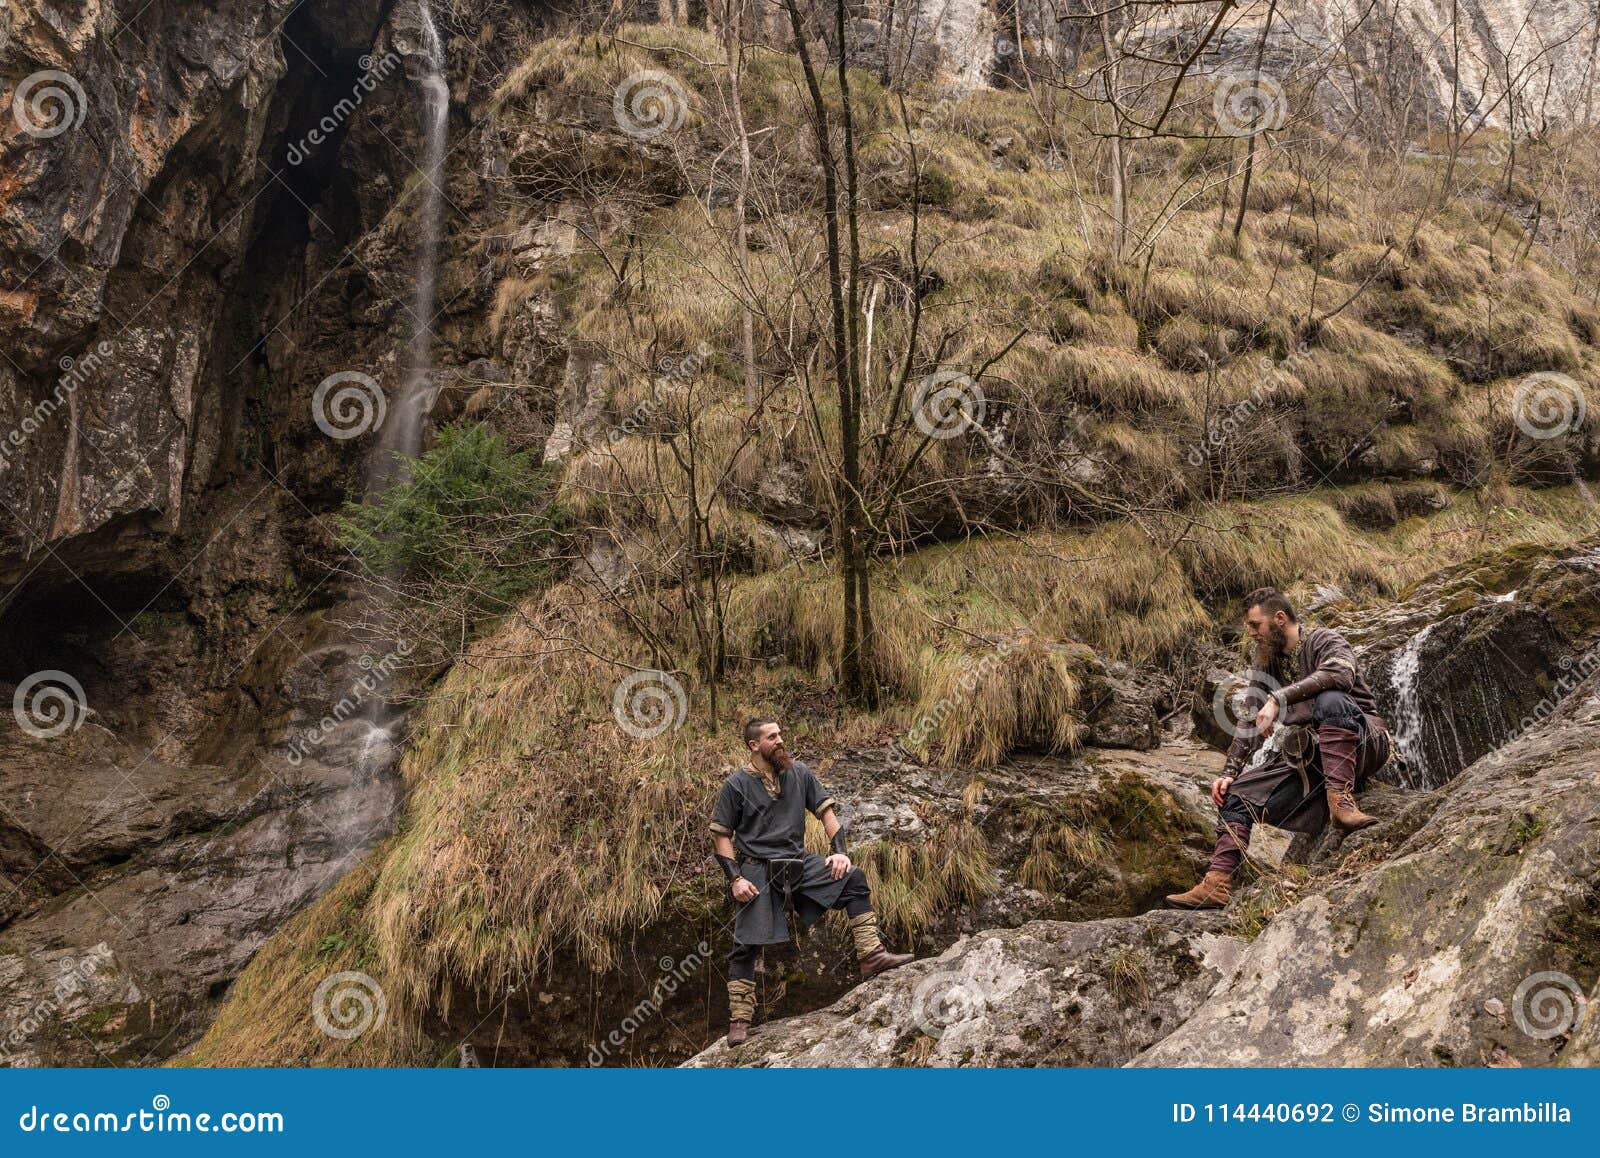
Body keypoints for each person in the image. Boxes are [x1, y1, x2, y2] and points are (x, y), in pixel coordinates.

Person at [1167, 587, 1393, 909]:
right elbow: (1249, 719)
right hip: (1316, 758)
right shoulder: (1266, 663)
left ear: (1280, 618)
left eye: (1255, 625)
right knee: (1235, 796)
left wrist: (1278, 698)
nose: (1251, 633)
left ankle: (1342, 804)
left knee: (1331, 700)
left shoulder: (1323, 639)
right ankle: (1217, 884)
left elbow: (1340, 674)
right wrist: (1229, 773)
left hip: (1364, 741)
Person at [710, 717, 912, 1046]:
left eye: (780, 734)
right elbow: (722, 836)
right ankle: (740, 1019)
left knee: (853, 878)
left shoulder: (799, 773)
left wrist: (840, 852)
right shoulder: (736, 785)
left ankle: (871, 955)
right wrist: (735, 879)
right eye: (772, 737)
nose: (780, 740)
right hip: (756, 871)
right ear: (754, 745)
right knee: (745, 945)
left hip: (797, 863)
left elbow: (827, 814)